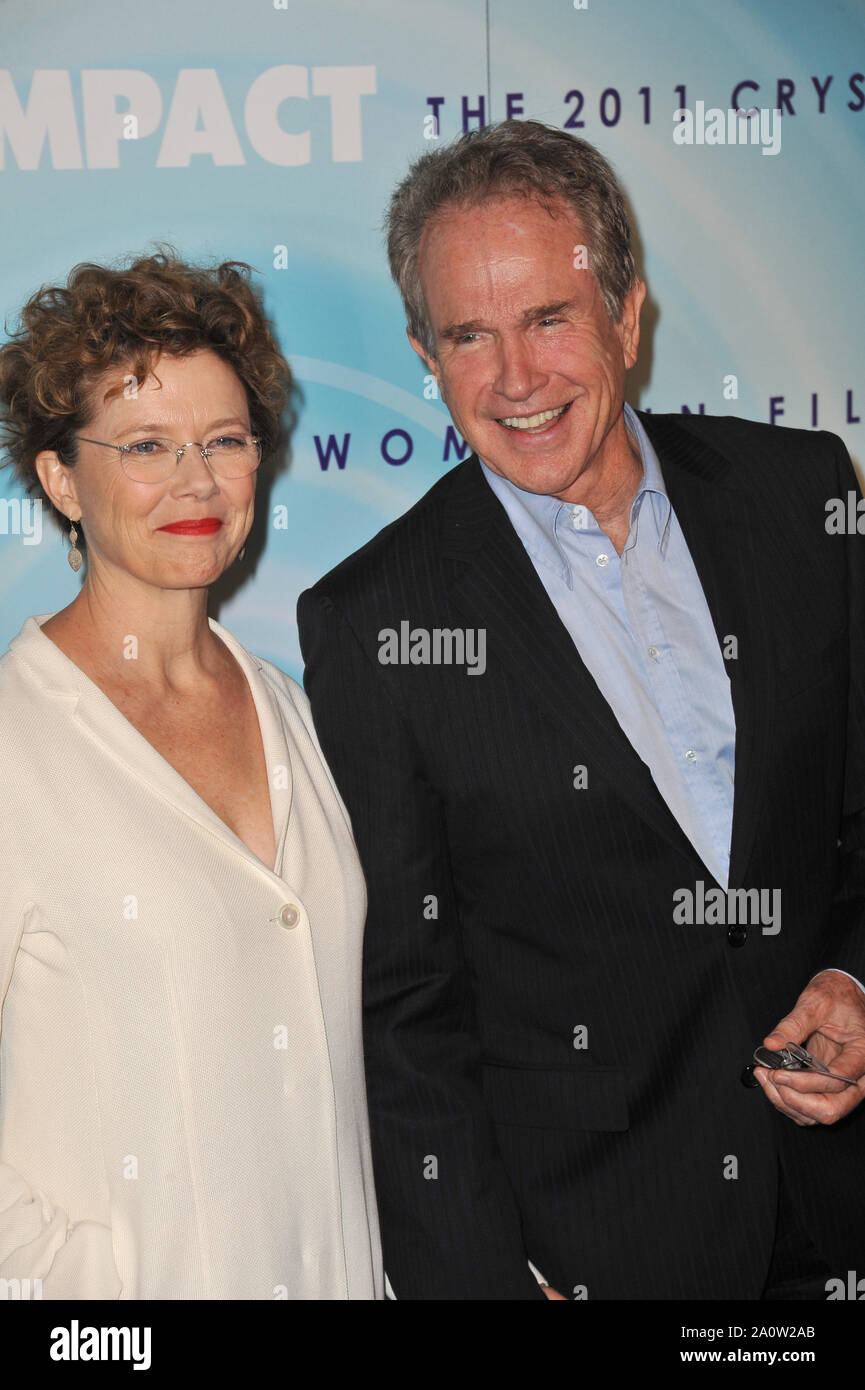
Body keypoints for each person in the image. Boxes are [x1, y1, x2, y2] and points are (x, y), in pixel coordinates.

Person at [297, 120, 865, 1300]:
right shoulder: (374, 620)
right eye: (469, 336)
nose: (514, 379)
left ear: (627, 313)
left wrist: (858, 983)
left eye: (549, 319)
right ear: (423, 352)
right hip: (604, 1249)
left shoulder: (801, 494)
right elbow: (405, 1014)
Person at [0, 252, 383, 1300]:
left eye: (224, 441)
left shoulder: (295, 713)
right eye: (146, 447)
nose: (197, 483)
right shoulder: (12, 743)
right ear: (60, 478)